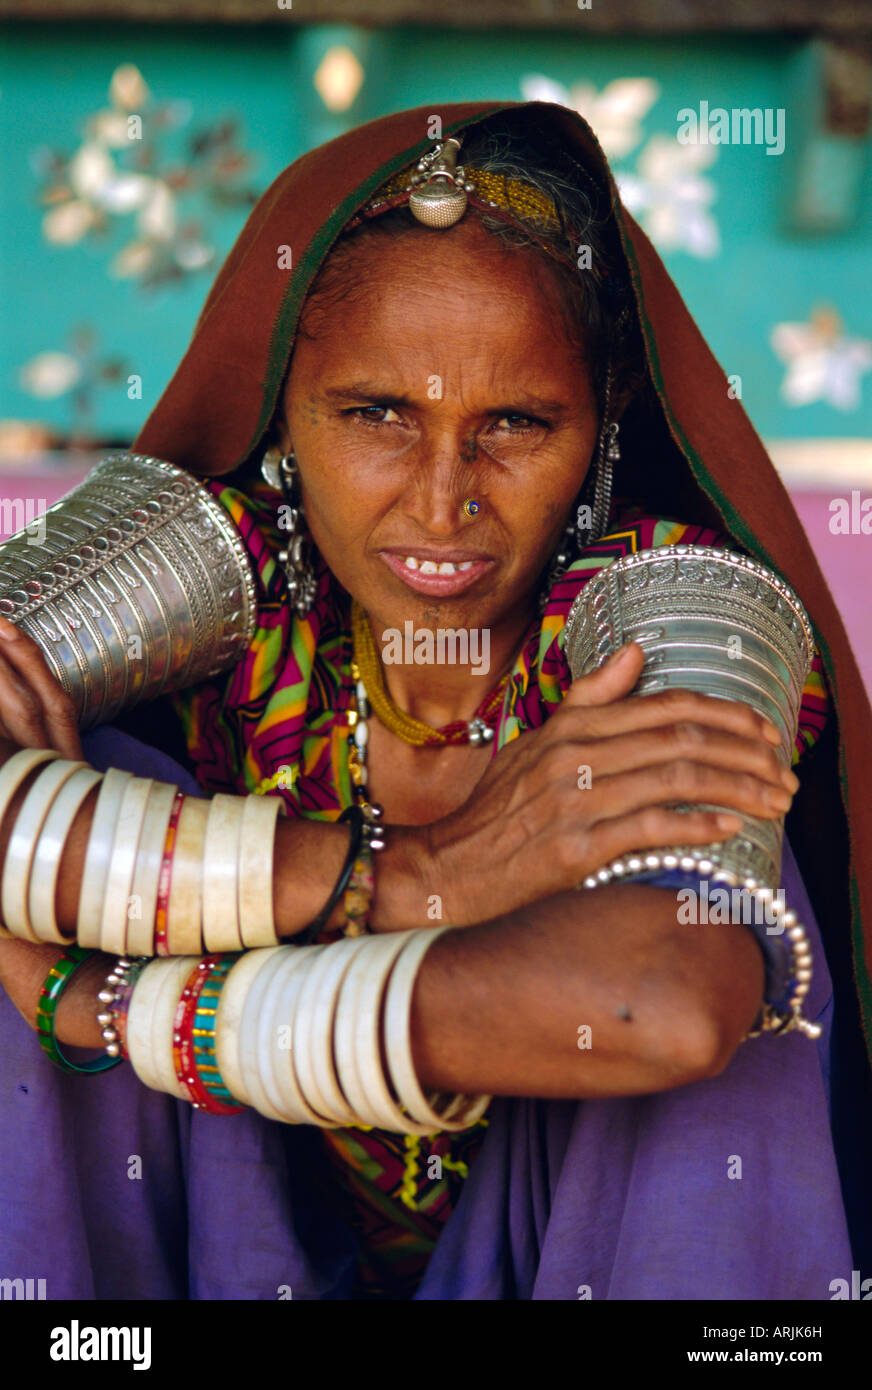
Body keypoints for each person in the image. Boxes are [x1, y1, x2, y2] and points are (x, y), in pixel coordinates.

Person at [0, 101, 869, 1301]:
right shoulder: (234, 574)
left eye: (513, 422)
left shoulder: (659, 611)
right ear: (282, 410)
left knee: (724, 900)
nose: (442, 502)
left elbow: (662, 1008)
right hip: (243, 1238)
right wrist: (412, 874)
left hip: (567, 1253)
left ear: (603, 419)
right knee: (89, 759)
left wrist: (112, 1005)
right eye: (375, 416)